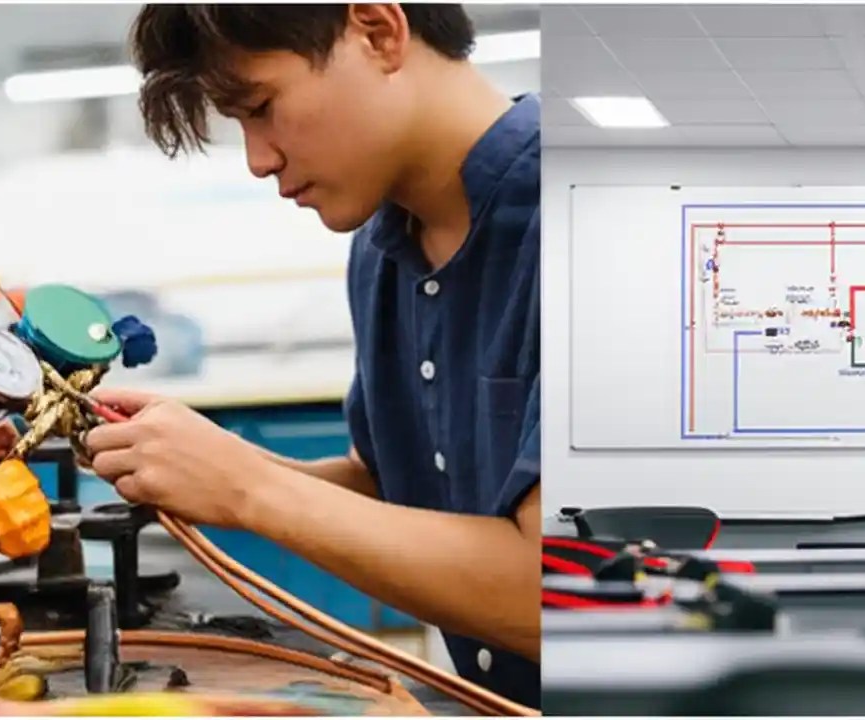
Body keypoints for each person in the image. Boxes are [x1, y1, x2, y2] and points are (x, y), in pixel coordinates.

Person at [81, 3, 541, 707]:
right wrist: (205, 464)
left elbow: (559, 592)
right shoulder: (384, 249)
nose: (259, 159)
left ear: (378, 31)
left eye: (262, 107)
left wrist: (249, 488)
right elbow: (404, 497)